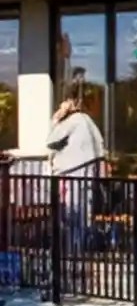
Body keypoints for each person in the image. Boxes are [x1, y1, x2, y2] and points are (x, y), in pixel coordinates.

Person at [46, 97, 106, 263]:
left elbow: (50, 141)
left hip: (71, 173)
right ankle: (78, 253)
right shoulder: (89, 122)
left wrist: (56, 119)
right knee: (82, 215)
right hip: (87, 174)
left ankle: (70, 254)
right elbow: (100, 147)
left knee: (70, 214)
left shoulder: (72, 121)